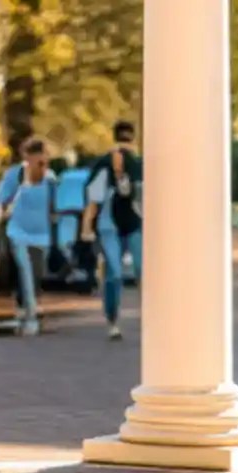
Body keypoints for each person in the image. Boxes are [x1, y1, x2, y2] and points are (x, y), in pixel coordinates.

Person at [81, 120, 143, 340]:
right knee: (115, 273)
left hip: (134, 222)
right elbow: (94, 197)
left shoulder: (139, 164)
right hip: (110, 224)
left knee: (142, 270)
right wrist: (87, 225)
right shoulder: (105, 164)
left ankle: (149, 317)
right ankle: (113, 320)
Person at [0, 137, 57, 336]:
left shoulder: (50, 179)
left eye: (44, 161)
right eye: (37, 160)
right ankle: (30, 318)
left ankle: (23, 308)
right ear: (27, 157)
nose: (41, 165)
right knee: (25, 272)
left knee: (37, 274)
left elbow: (53, 207)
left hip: (42, 235)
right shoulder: (14, 176)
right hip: (18, 232)